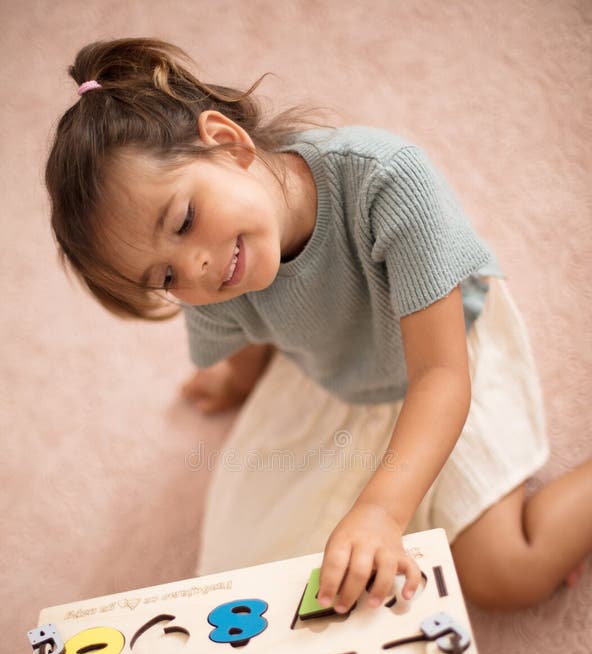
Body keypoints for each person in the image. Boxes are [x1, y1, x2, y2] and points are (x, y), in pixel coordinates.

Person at [45, 38, 592, 613]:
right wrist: (236, 383)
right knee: (257, 588)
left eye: (184, 220)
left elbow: (440, 376)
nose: (196, 271)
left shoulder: (387, 180)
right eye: (163, 276)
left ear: (228, 145)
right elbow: (241, 334)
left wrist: (379, 511)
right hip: (336, 373)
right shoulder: (208, 278)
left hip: (447, 355)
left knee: (508, 571)